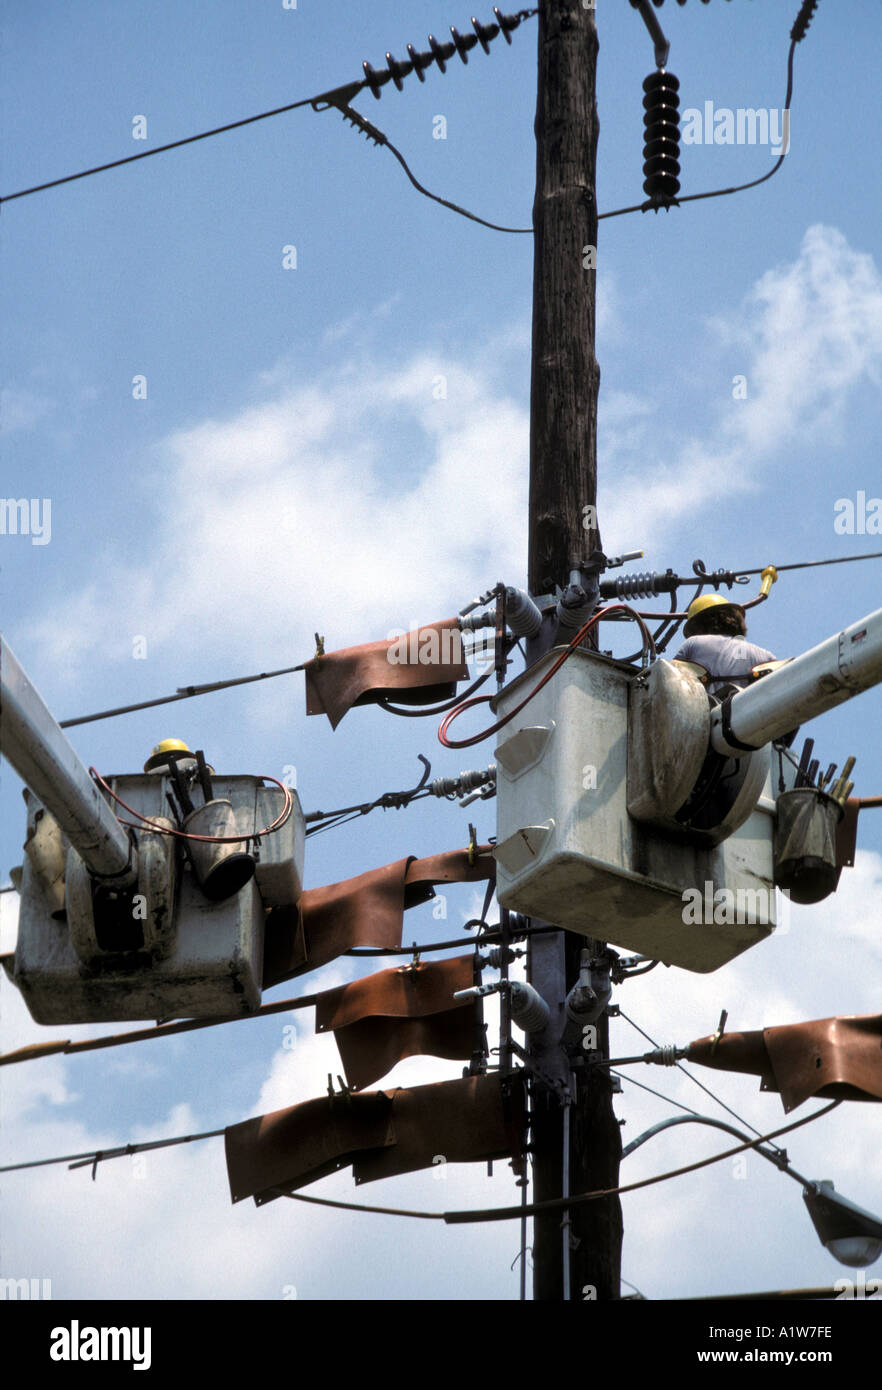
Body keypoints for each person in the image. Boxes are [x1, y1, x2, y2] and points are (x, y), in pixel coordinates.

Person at [675, 594, 776, 697]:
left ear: (698, 626)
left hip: (708, 706)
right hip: (754, 706)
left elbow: (671, 680)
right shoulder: (766, 656)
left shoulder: (693, 644)